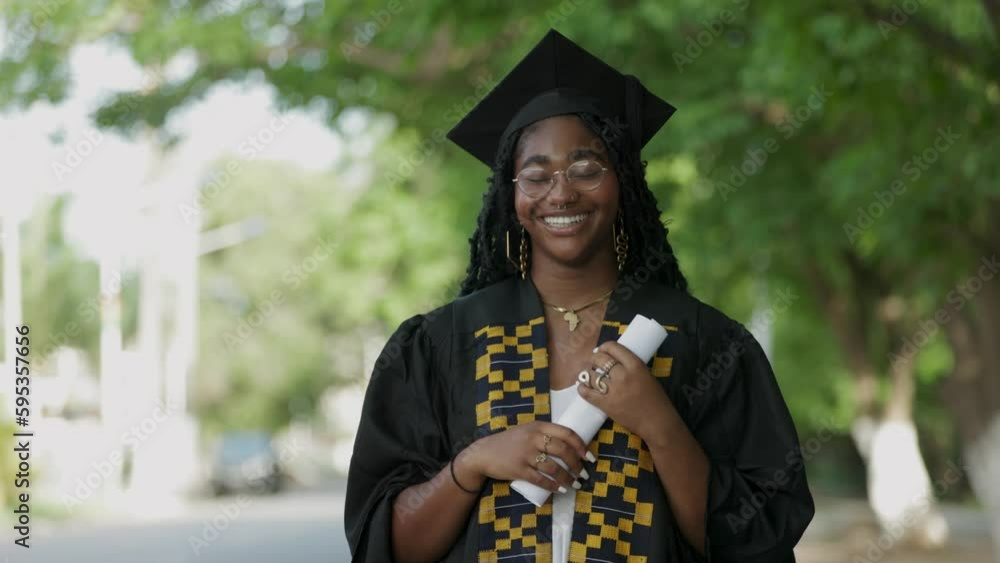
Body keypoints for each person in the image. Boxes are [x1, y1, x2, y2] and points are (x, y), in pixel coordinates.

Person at [345, 29, 814, 563]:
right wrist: (472, 463)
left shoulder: (704, 341)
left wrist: (659, 424)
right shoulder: (440, 346)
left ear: (625, 183)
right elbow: (386, 547)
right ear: (511, 195)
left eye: (586, 169)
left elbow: (756, 541)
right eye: (536, 175)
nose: (561, 192)